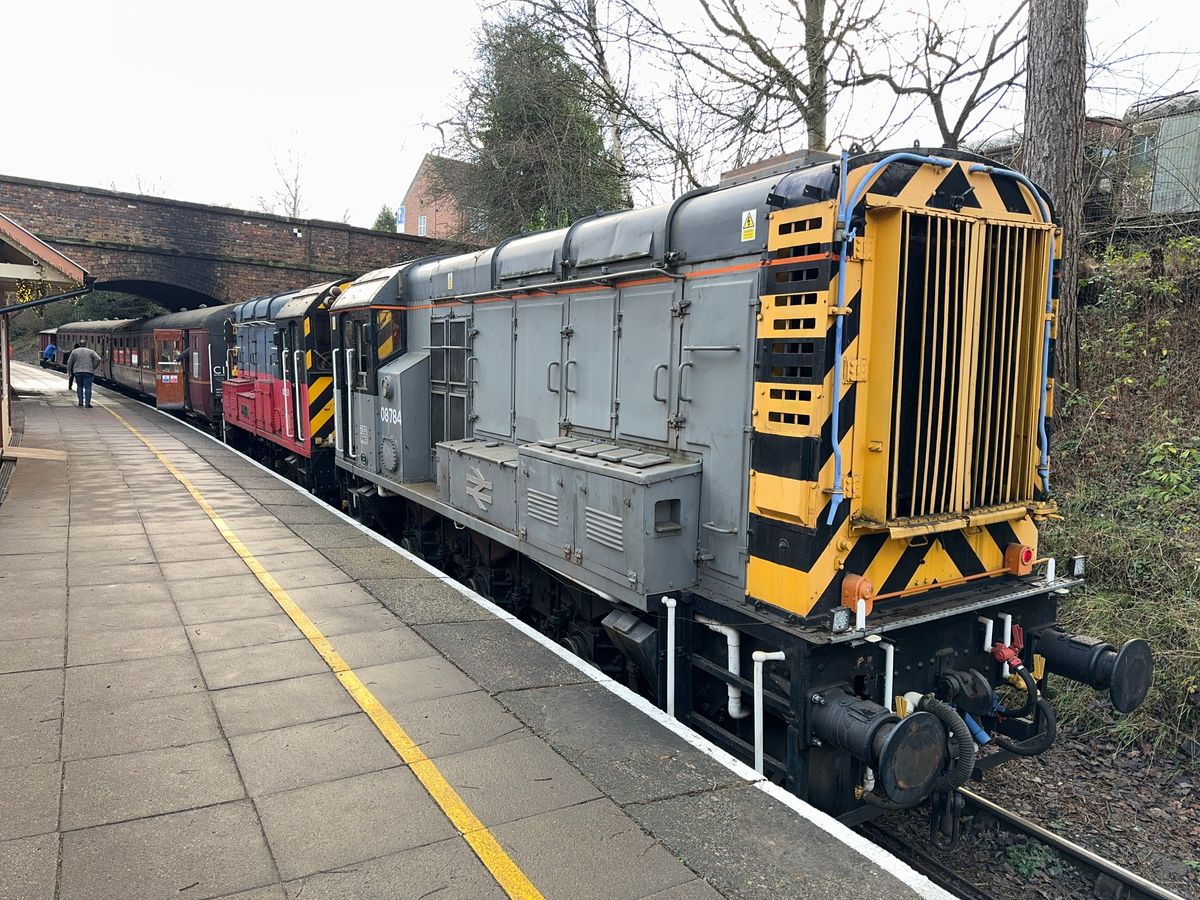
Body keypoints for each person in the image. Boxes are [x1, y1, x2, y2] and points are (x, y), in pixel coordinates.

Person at [65, 341, 101, 408]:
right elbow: (98, 359)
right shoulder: (91, 351)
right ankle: (87, 404)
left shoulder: (74, 352)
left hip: (77, 371)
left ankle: (80, 402)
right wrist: (94, 367)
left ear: (80, 344)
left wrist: (69, 371)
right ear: (86, 344)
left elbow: (69, 362)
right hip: (88, 371)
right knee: (88, 387)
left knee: (79, 386)